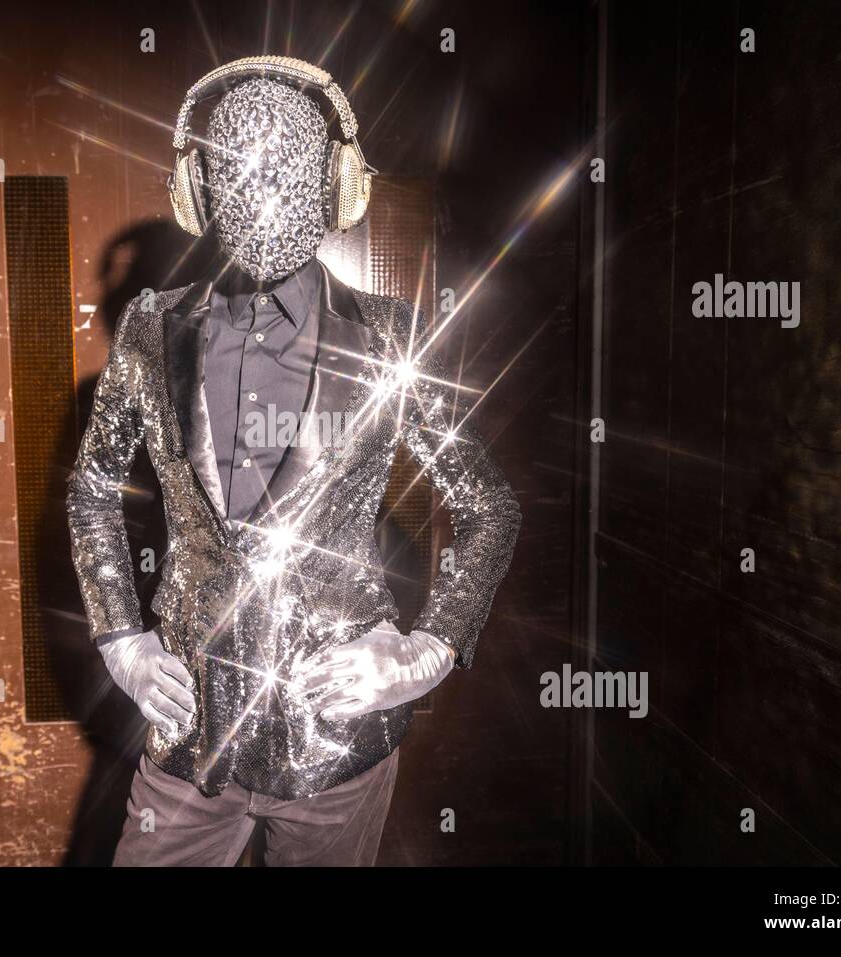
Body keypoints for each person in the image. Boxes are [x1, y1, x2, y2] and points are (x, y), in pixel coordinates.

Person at [66, 56, 520, 866]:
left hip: (337, 741)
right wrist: (120, 639)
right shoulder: (149, 326)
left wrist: (430, 649)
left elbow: (488, 505)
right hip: (190, 733)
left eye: (284, 163)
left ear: (335, 180)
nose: (263, 182)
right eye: (242, 165)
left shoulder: (387, 336)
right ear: (199, 186)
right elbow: (95, 485)